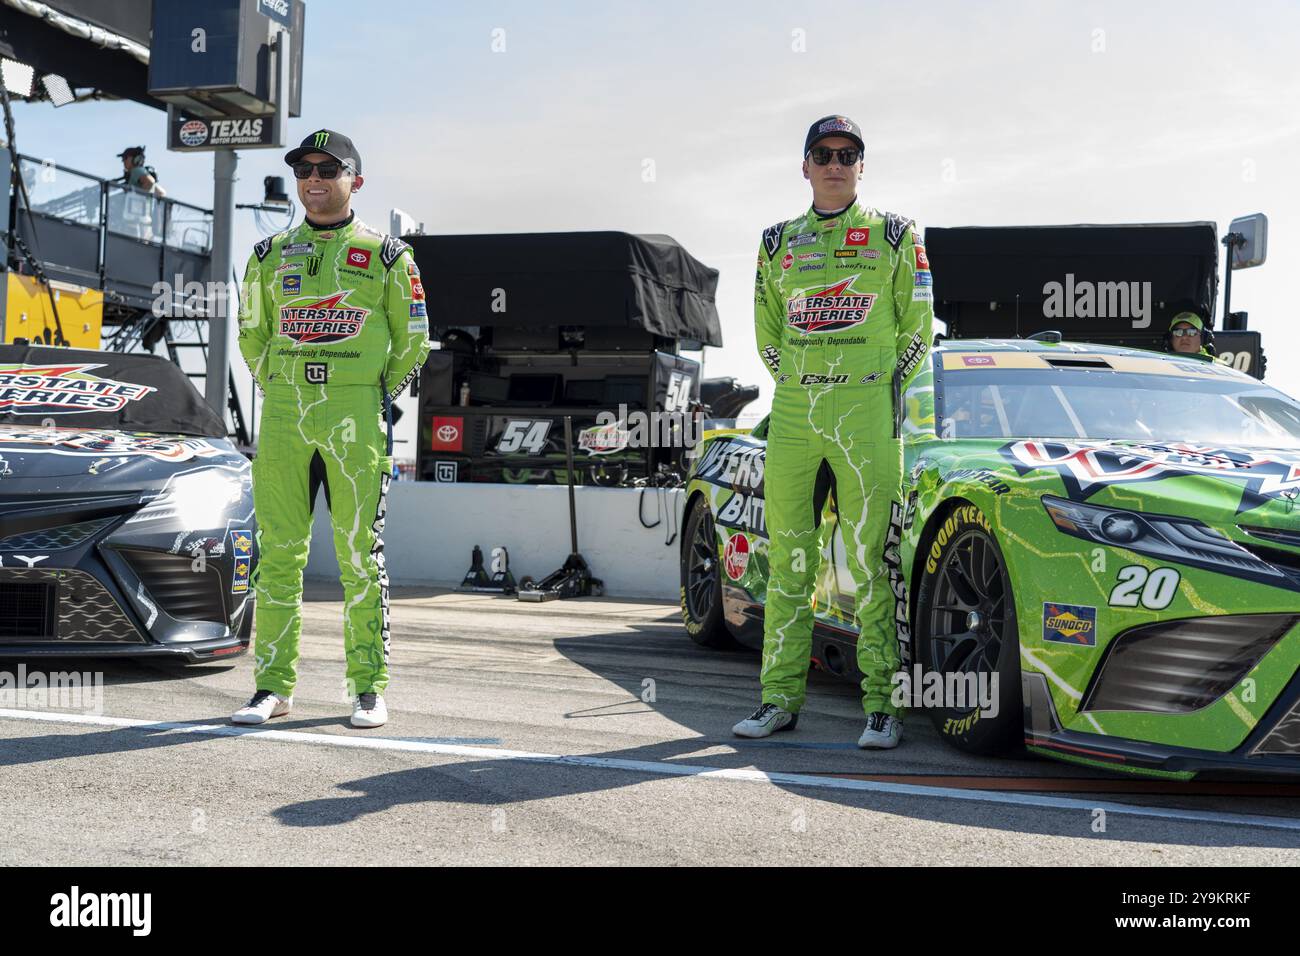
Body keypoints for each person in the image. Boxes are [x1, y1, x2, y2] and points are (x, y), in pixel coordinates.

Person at [734, 115, 933, 749]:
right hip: (796, 418)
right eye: (823, 153)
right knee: (789, 564)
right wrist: (798, 384)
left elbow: (919, 329)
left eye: (848, 154)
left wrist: (876, 387)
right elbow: (766, 335)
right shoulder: (775, 241)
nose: (835, 163)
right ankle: (778, 700)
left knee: (872, 566)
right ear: (805, 165)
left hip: (868, 417)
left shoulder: (897, 235)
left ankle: (881, 705)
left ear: (861, 166)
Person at [233, 129, 431, 728]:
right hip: (285, 420)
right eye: (304, 170)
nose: (313, 179)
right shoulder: (268, 255)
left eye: (327, 169)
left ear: (355, 181)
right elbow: (250, 332)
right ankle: (272, 687)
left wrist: (369, 395)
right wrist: (284, 389)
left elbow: (413, 341)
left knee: (358, 558)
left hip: (355, 421)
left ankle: (367, 687)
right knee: (279, 557)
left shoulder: (388, 255)